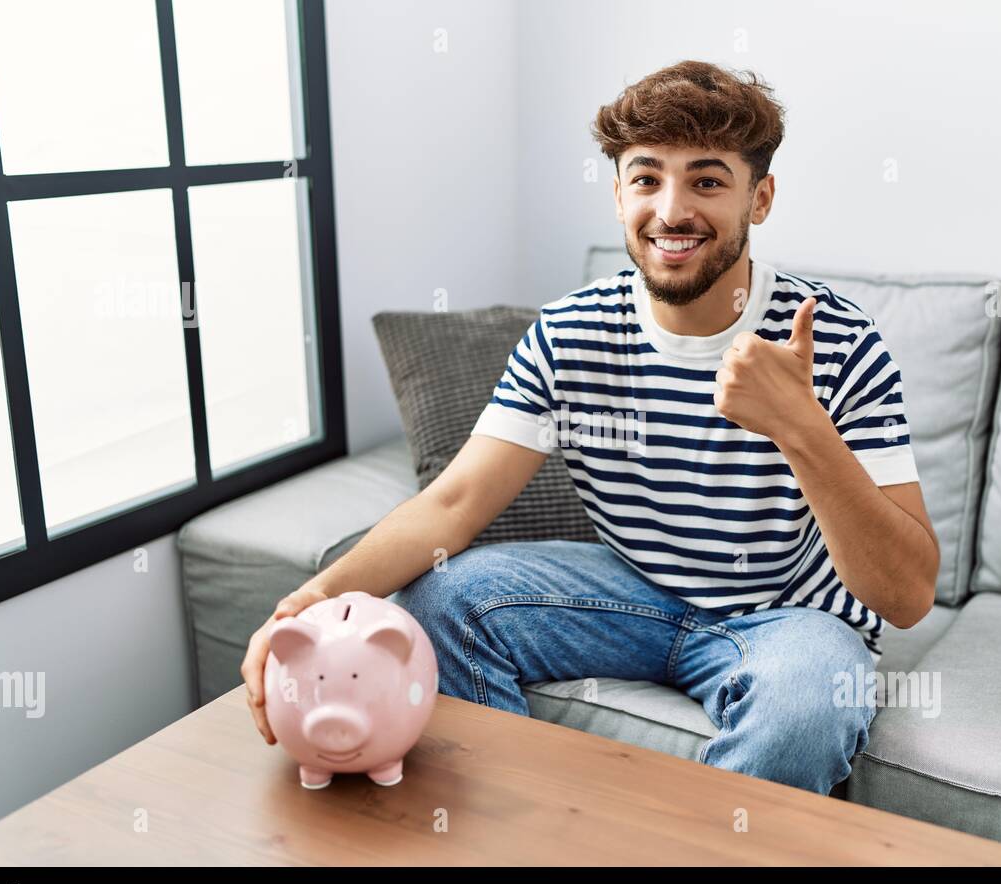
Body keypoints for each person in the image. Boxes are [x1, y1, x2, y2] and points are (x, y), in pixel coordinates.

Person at [242, 60, 939, 795]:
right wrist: (306, 602)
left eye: (706, 181)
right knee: (438, 598)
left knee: (806, 708)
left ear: (759, 198)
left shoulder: (837, 340)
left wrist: (803, 429)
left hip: (788, 618)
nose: (672, 211)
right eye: (647, 179)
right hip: (628, 595)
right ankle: (526, 829)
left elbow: (906, 595)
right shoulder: (570, 332)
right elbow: (452, 506)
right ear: (618, 195)